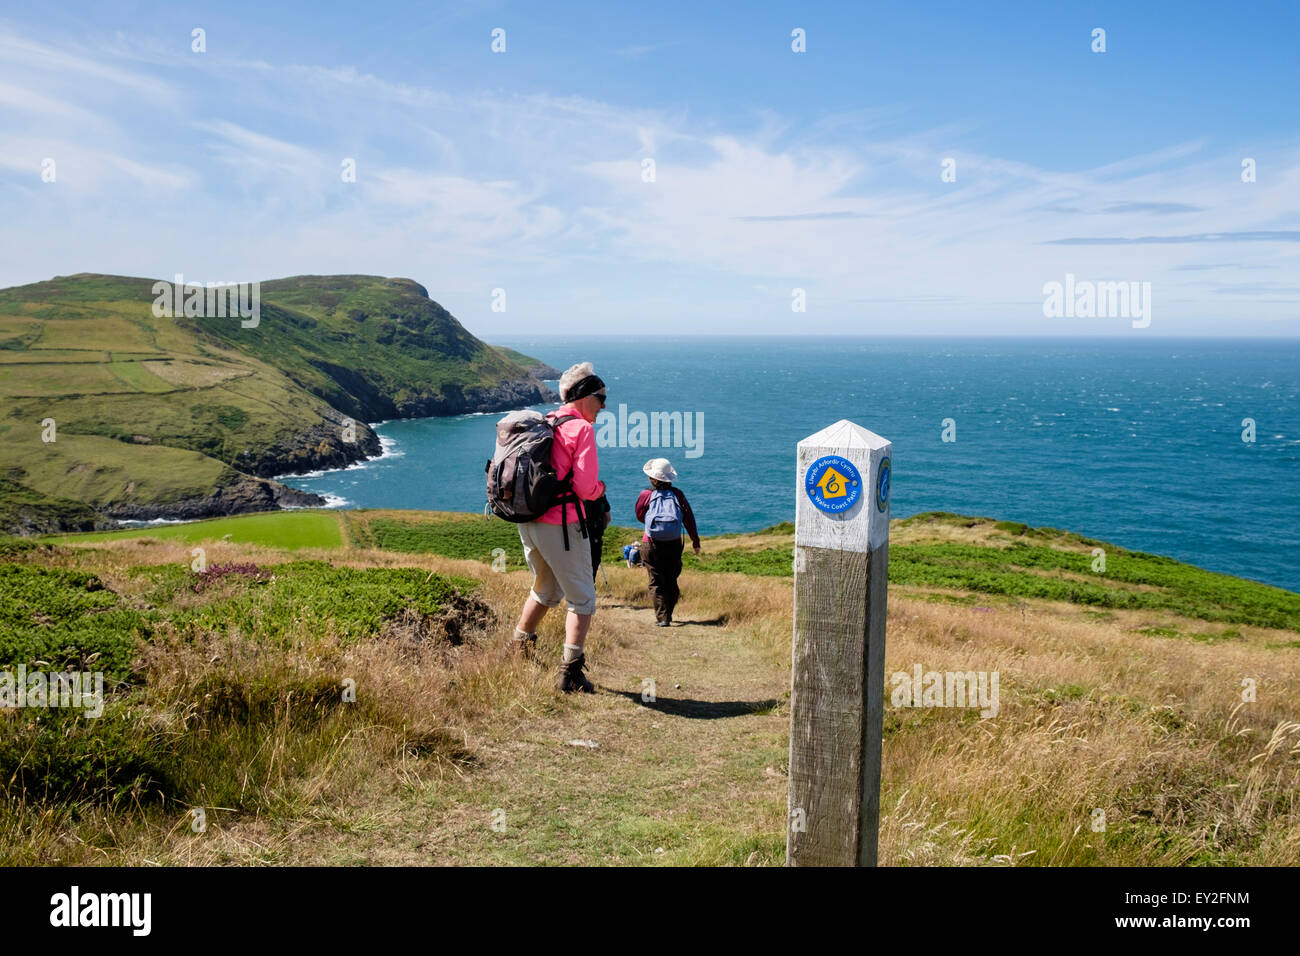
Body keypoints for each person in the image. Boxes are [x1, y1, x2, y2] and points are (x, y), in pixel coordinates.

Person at [508, 362, 607, 693]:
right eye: (600, 396)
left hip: (529, 520)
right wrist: (600, 490)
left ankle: (518, 648)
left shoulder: (546, 421)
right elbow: (583, 487)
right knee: (582, 599)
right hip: (561, 525)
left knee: (546, 589)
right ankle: (571, 673)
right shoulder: (581, 430)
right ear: (583, 395)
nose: (604, 405)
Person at [633, 458, 701, 627]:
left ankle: (663, 618)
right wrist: (695, 541)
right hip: (674, 542)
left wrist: (654, 524)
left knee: (656, 580)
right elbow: (688, 518)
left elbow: (640, 515)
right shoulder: (678, 494)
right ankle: (669, 612)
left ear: (652, 478)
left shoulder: (646, 495)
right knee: (671, 579)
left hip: (650, 542)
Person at [588, 493, 612, 583]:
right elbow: (608, 518)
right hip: (597, 536)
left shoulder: (580, 494)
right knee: (594, 563)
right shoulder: (601, 495)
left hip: (581, 536)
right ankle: (591, 587)